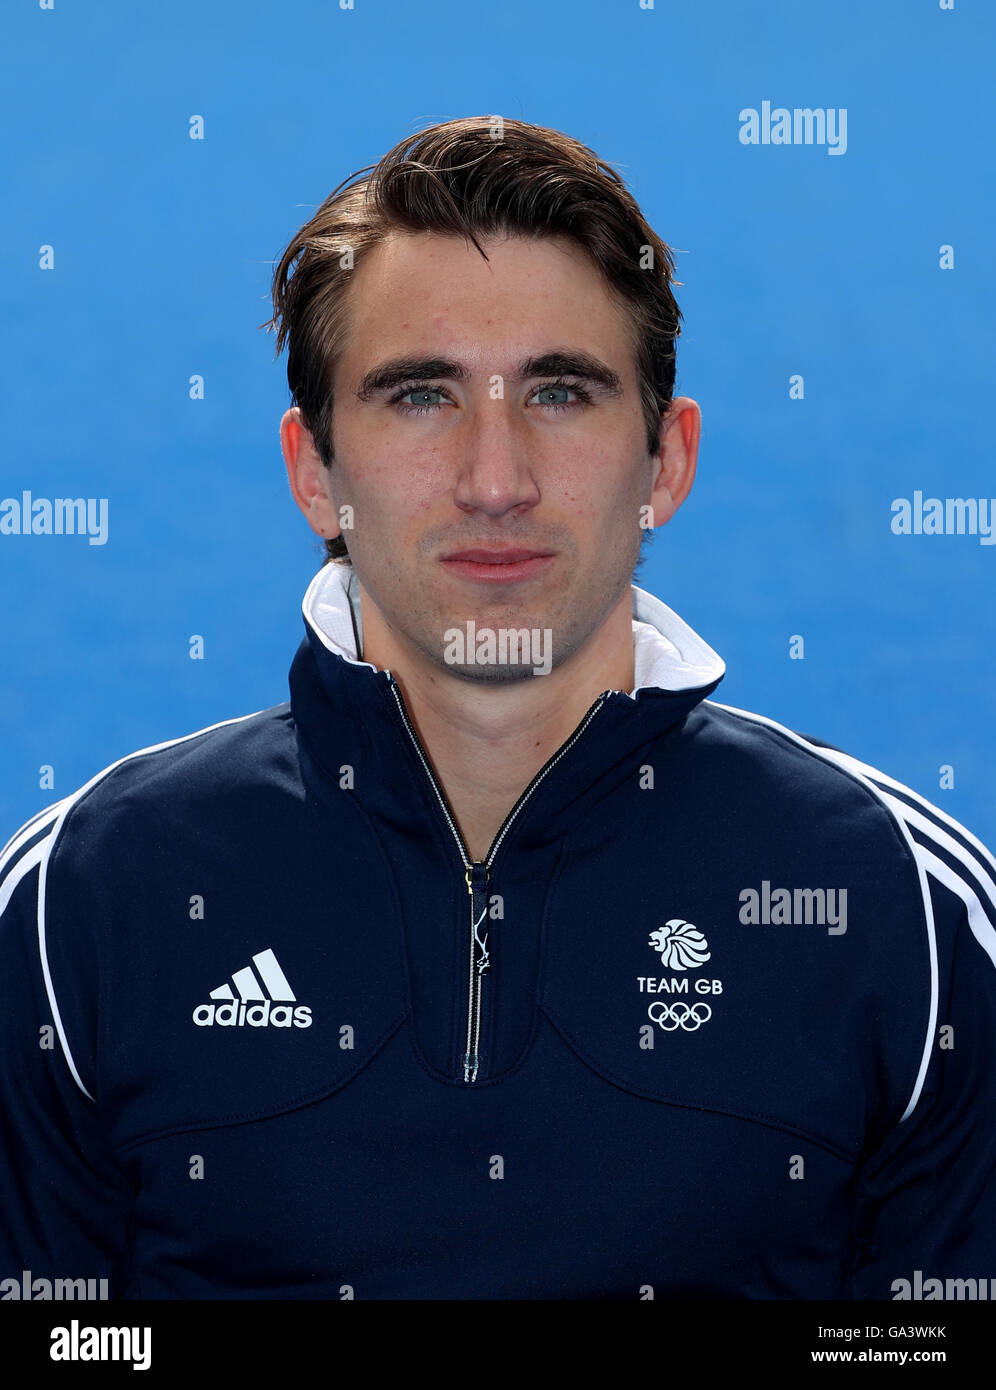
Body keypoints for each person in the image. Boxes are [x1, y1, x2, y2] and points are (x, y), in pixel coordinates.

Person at [1, 116, 994, 1301]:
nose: (495, 479)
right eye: (420, 396)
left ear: (665, 463)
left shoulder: (905, 913)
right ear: (314, 469)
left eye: (560, 392)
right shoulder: (81, 908)